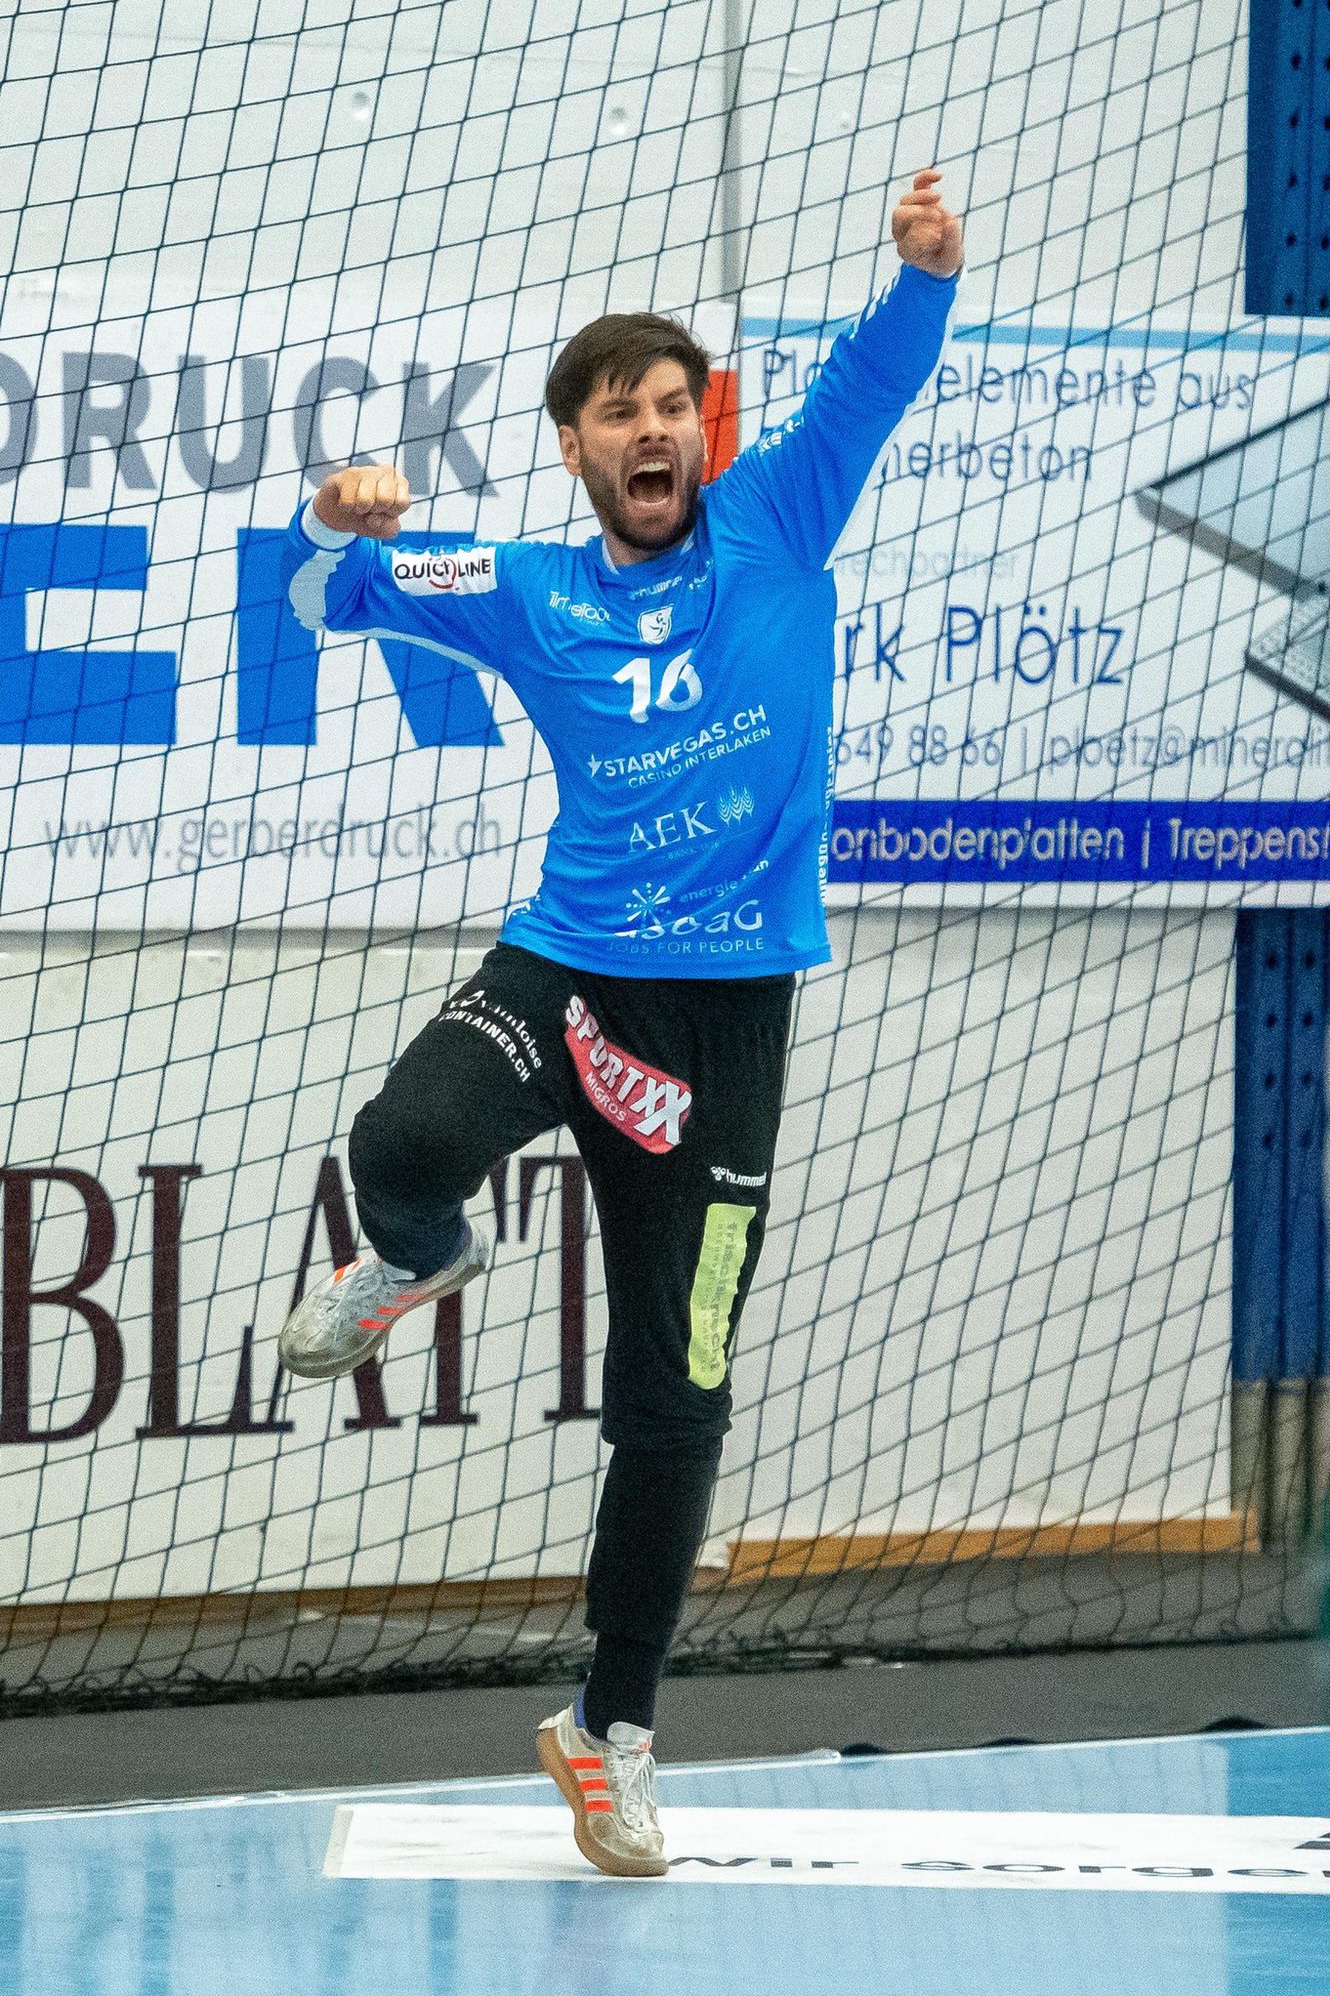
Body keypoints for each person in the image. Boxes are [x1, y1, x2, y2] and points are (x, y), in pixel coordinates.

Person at [276, 168, 965, 1878]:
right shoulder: (523, 581)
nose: (650, 430)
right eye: (615, 414)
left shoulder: (778, 521)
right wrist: (331, 523)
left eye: (671, 406)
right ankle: (414, 1254)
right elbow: (320, 602)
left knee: (678, 1388)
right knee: (400, 1144)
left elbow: (872, 388)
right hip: (567, 965)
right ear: (576, 451)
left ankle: (611, 1730)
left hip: (722, 1023)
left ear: (698, 433)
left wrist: (923, 278)